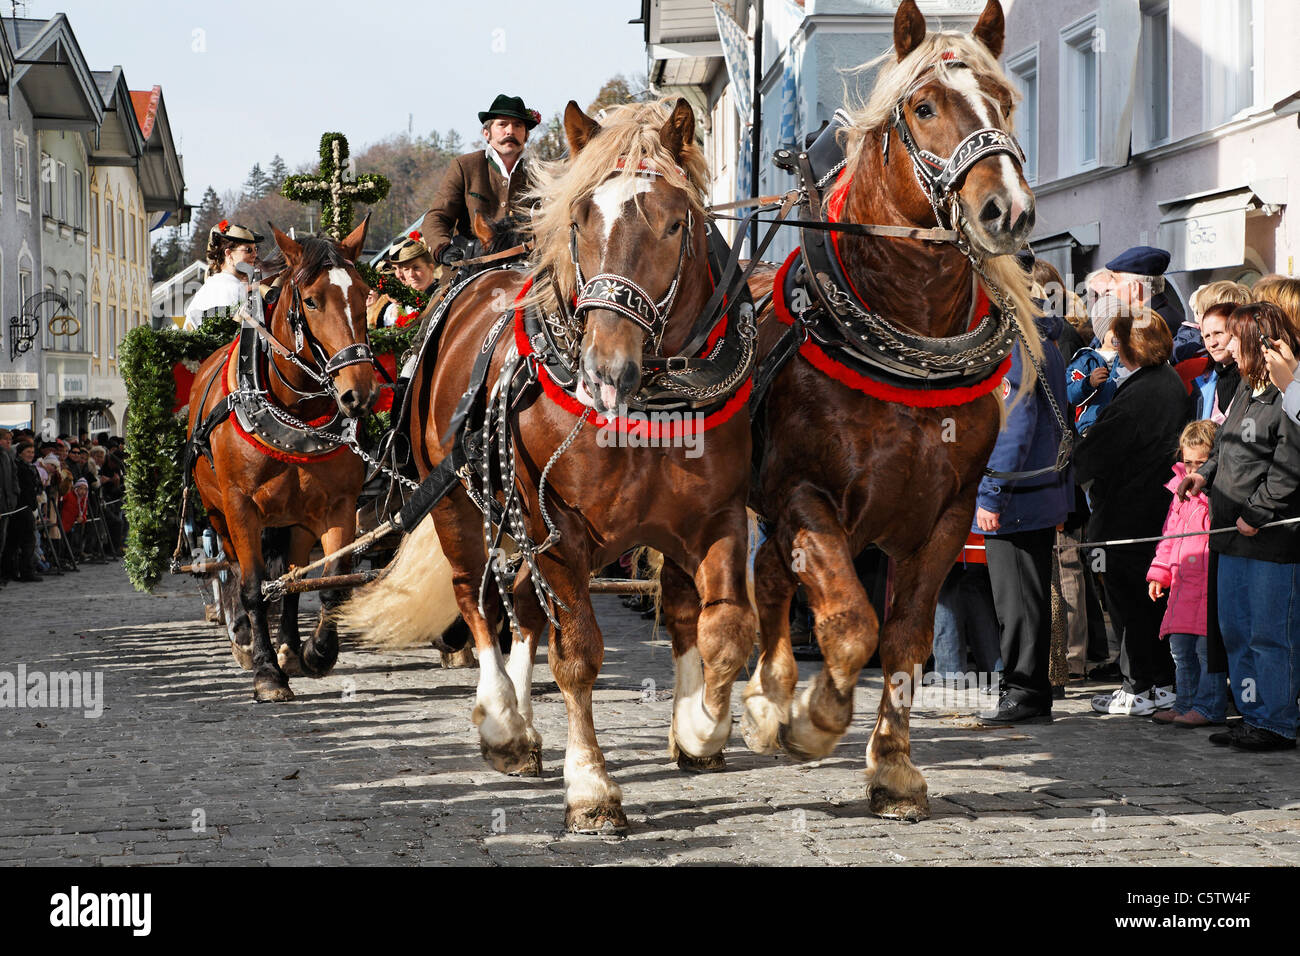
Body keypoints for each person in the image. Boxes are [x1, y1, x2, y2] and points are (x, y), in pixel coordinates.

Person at [1180, 302, 1300, 751]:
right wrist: (1203, 475)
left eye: (1235, 338)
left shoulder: (1287, 395)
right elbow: (1226, 448)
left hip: (1269, 540)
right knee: (1237, 630)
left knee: (1271, 635)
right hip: (1230, 536)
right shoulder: (1245, 390)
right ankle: (1252, 713)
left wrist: (1257, 511)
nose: (1226, 345)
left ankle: (1276, 722)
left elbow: (1288, 465)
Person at [1076, 309, 1184, 716]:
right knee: (1145, 602)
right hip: (1149, 511)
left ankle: (1138, 684)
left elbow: (1098, 450)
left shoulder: (1143, 390)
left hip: (1127, 515)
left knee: (1129, 604)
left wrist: (1078, 454)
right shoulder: (1166, 381)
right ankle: (1156, 683)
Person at [975, 303, 1074, 725]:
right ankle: (1028, 690)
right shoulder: (1038, 337)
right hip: (1033, 492)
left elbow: (1015, 425)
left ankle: (1024, 693)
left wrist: (991, 493)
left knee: (1016, 601)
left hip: (1018, 496)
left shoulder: (1016, 343)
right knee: (1025, 597)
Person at [1146, 420, 1226, 728]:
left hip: (1207, 586)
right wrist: (1159, 573)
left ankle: (1209, 706)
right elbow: (1169, 537)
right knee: (1180, 651)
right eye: (1188, 462)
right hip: (1181, 586)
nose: (1192, 470)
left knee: (1207, 653)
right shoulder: (1178, 493)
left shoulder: (1216, 494)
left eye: (1200, 464)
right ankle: (1185, 702)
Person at [421, 93, 539, 268]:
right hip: (470, 264)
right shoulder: (465, 166)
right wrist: (443, 247)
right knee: (443, 296)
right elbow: (437, 217)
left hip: (528, 269)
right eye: (502, 124)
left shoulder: (541, 172)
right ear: (486, 133)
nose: (510, 131)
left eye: (518, 125)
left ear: (526, 135)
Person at [183, 221, 263, 330]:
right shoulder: (229, 288)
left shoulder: (216, 284)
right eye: (248, 250)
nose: (255, 255)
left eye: (255, 249)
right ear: (229, 254)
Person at [1065, 295, 1124, 434]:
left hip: (1122, 427)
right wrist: (1089, 383)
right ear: (1103, 331)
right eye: (1115, 329)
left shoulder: (1130, 358)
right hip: (1092, 427)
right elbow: (1070, 395)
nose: (1121, 334)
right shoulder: (1086, 359)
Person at [1105, 245, 1185, 338]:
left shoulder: (1153, 325)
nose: (1108, 286)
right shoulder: (1151, 318)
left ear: (1134, 288)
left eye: (1114, 280)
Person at [1188, 303, 1242, 424]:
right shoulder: (1201, 386)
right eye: (1207, 336)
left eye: (1218, 333)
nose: (1212, 343)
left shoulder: (1255, 381)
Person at [3, 440, 41, 582]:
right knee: (25, 541)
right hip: (21, 507)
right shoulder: (19, 467)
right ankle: (25, 571)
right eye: (28, 452)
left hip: (25, 507)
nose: (31, 455)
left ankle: (12, 571)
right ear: (20, 453)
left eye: (32, 452)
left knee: (15, 541)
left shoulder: (29, 467)